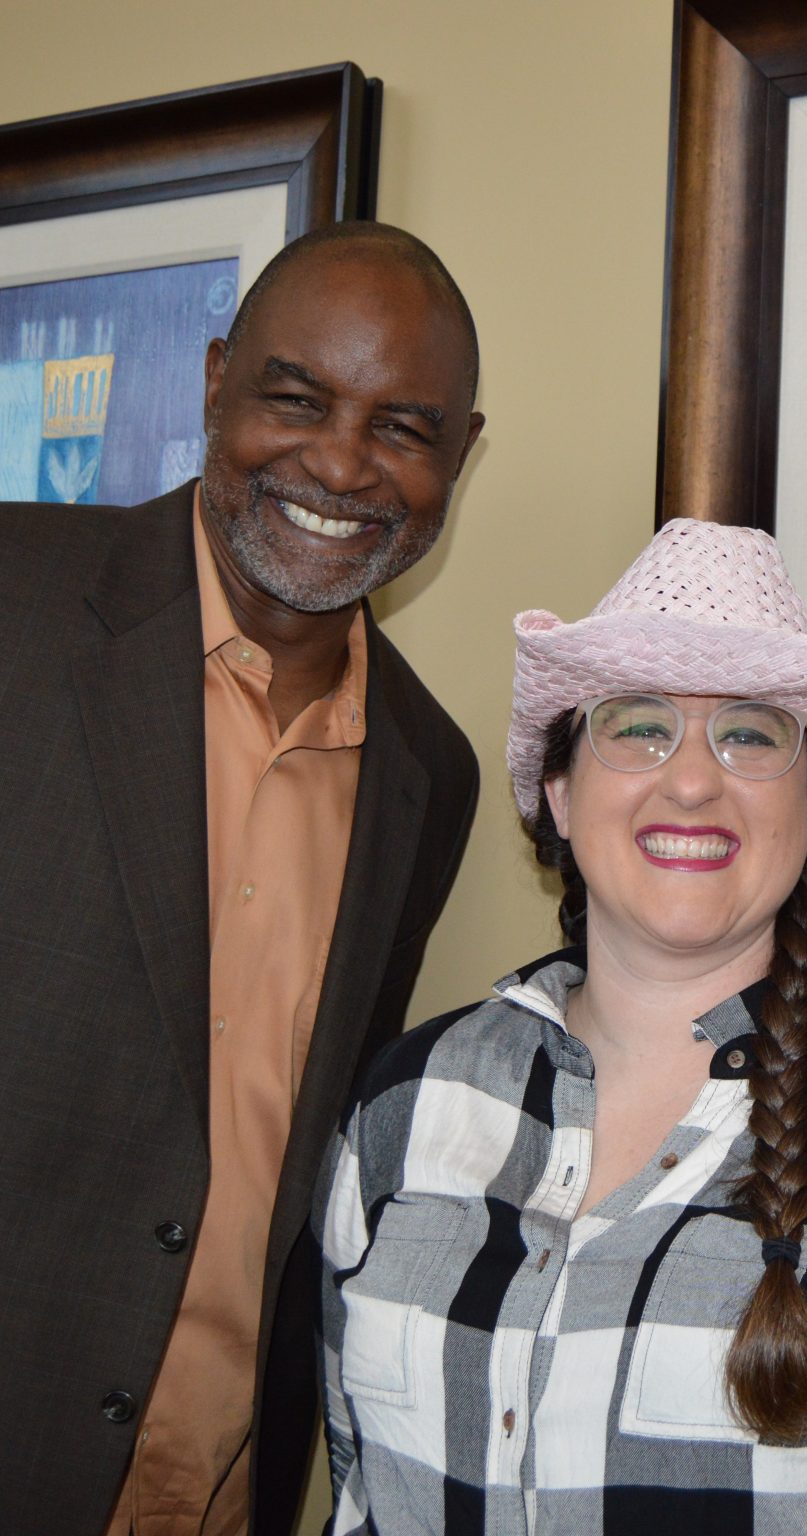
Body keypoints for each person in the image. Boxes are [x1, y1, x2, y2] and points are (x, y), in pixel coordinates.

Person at [316, 517, 807, 1534]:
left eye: (749, 732)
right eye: (638, 725)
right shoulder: (406, 1099)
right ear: (559, 793)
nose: (691, 779)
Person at [0, 221, 483, 1536]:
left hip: (207, 1489)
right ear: (216, 383)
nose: (340, 462)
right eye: (296, 398)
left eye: (404, 427)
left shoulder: (428, 775)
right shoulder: (16, 599)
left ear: (461, 460)